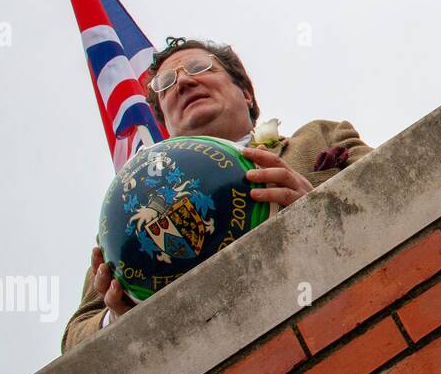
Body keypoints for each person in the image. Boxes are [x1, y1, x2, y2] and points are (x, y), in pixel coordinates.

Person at [60, 37, 372, 353]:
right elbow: (75, 338)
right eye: (166, 84)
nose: (182, 82)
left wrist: (318, 203)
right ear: (165, 126)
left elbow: (397, 188)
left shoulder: (321, 136)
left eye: (199, 67)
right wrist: (119, 316)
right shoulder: (125, 222)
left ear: (247, 94)